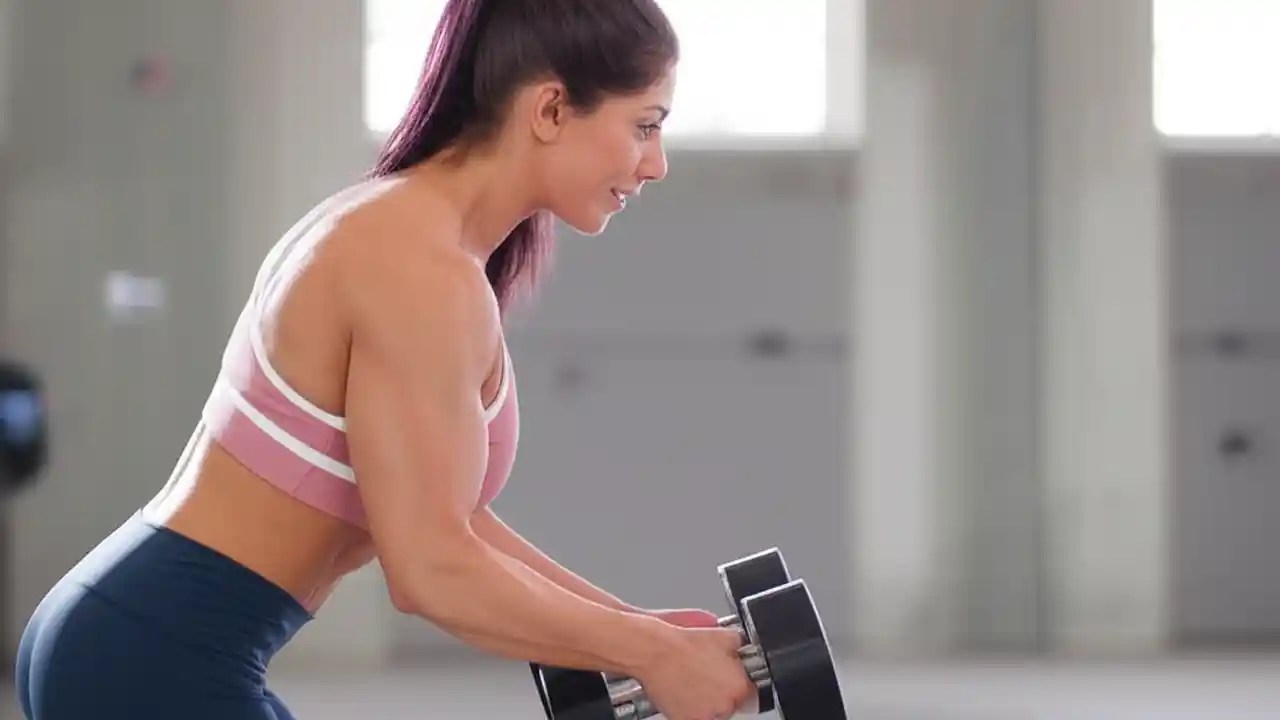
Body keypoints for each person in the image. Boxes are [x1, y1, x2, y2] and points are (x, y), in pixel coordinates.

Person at [14, 1, 757, 719]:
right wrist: (651, 655)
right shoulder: (416, 267)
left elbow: (454, 522)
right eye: (645, 126)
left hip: (138, 637)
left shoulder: (415, 237)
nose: (655, 164)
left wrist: (640, 634)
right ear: (551, 110)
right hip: (151, 653)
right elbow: (432, 571)